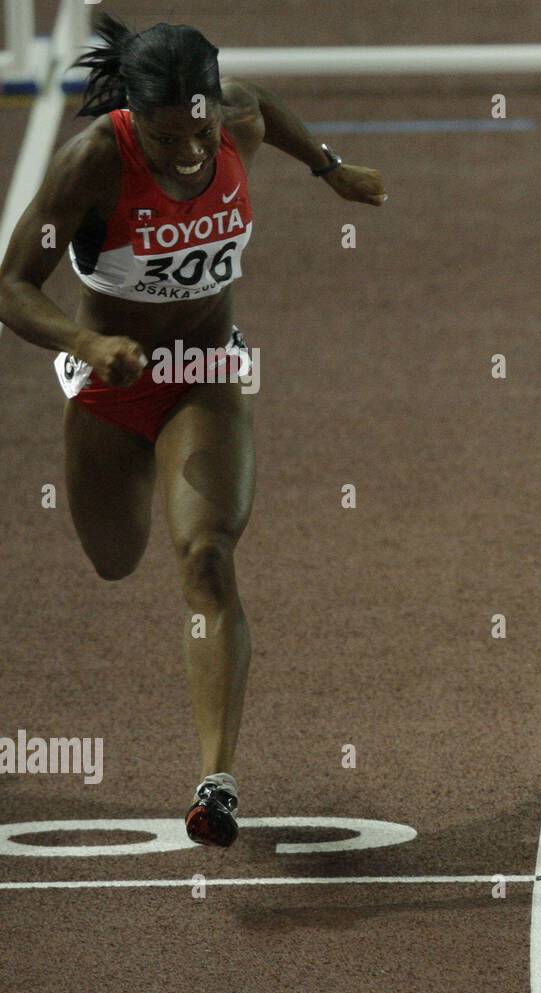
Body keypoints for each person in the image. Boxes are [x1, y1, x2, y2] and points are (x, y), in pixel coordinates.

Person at [0, 13, 388, 846]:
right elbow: (10, 287)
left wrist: (331, 169)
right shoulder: (94, 163)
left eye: (199, 128)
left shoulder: (231, 114)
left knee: (207, 560)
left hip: (206, 375)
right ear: (136, 118)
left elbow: (267, 109)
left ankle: (217, 783)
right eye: (168, 135)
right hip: (110, 384)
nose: (188, 151)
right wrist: (84, 340)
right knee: (114, 560)